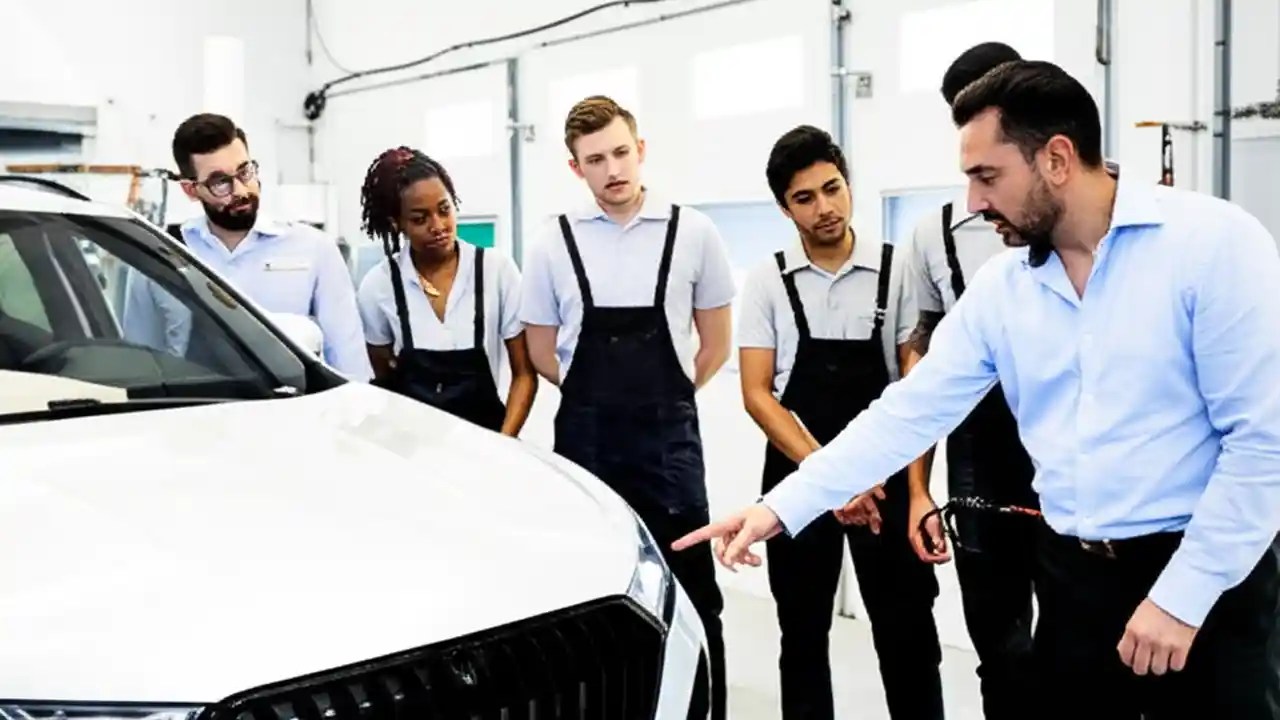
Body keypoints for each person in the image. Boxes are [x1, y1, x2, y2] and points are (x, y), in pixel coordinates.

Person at [675, 59, 1280, 719]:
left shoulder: (1212, 247)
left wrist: (1180, 598)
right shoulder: (1005, 288)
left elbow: (1264, 444)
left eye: (986, 176)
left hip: (1205, 580)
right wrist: (779, 507)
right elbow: (906, 413)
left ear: (1055, 158)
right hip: (1075, 586)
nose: (973, 202)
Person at [520, 95, 736, 720]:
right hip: (586, 443)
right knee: (586, 592)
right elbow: (540, 350)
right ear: (575, 169)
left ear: (640, 151)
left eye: (620, 152)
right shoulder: (552, 243)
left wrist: (664, 397)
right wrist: (596, 397)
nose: (612, 168)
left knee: (694, 592)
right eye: (595, 159)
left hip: (669, 443)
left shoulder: (692, 232)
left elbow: (715, 343)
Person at [737, 124, 943, 720]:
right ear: (784, 207)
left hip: (889, 481)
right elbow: (757, 394)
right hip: (798, 476)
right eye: (805, 198)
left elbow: (916, 388)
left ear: (848, 185)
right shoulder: (767, 281)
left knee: (908, 636)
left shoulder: (899, 269)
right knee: (801, 636)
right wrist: (832, 477)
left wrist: (908, 488)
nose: (824, 208)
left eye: (833, 189)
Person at [899, 41, 1039, 720]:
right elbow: (920, 369)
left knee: (1090, 648)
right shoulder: (936, 234)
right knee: (1001, 649)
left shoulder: (1096, 211)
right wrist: (919, 488)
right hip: (981, 464)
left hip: (1073, 456)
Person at [121, 113, 371, 380]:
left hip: (295, 411)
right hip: (194, 412)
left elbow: (350, 365)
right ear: (191, 190)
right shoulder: (161, 253)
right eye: (220, 182)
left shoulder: (314, 249)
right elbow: (140, 367)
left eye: (245, 171)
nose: (240, 190)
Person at [355, 146, 536, 435]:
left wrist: (504, 444)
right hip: (412, 448)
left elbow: (525, 375)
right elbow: (385, 380)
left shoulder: (496, 270)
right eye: (419, 218)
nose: (437, 226)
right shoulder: (378, 286)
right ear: (396, 222)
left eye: (444, 209)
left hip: (486, 443)